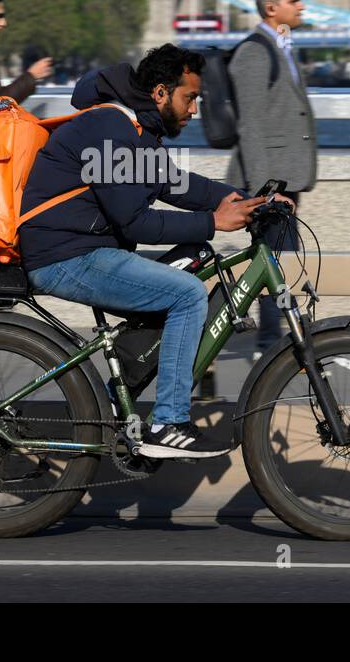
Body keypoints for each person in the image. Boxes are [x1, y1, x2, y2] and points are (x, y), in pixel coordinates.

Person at [19, 44, 275, 459]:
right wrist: (215, 222)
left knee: (195, 256)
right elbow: (135, 222)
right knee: (187, 294)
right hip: (65, 257)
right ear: (160, 92)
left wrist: (252, 201)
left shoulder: (135, 129)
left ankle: (112, 407)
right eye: (189, 97)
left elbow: (181, 186)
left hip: (88, 249)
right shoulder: (111, 127)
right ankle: (169, 424)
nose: (194, 110)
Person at [225, 0, 318, 361]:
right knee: (273, 260)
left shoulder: (282, 46)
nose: (302, 6)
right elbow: (250, 124)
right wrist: (268, 188)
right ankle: (270, 345)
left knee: (277, 259)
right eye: (295, 1)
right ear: (271, 6)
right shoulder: (254, 52)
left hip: (284, 178)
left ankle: (272, 340)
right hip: (267, 181)